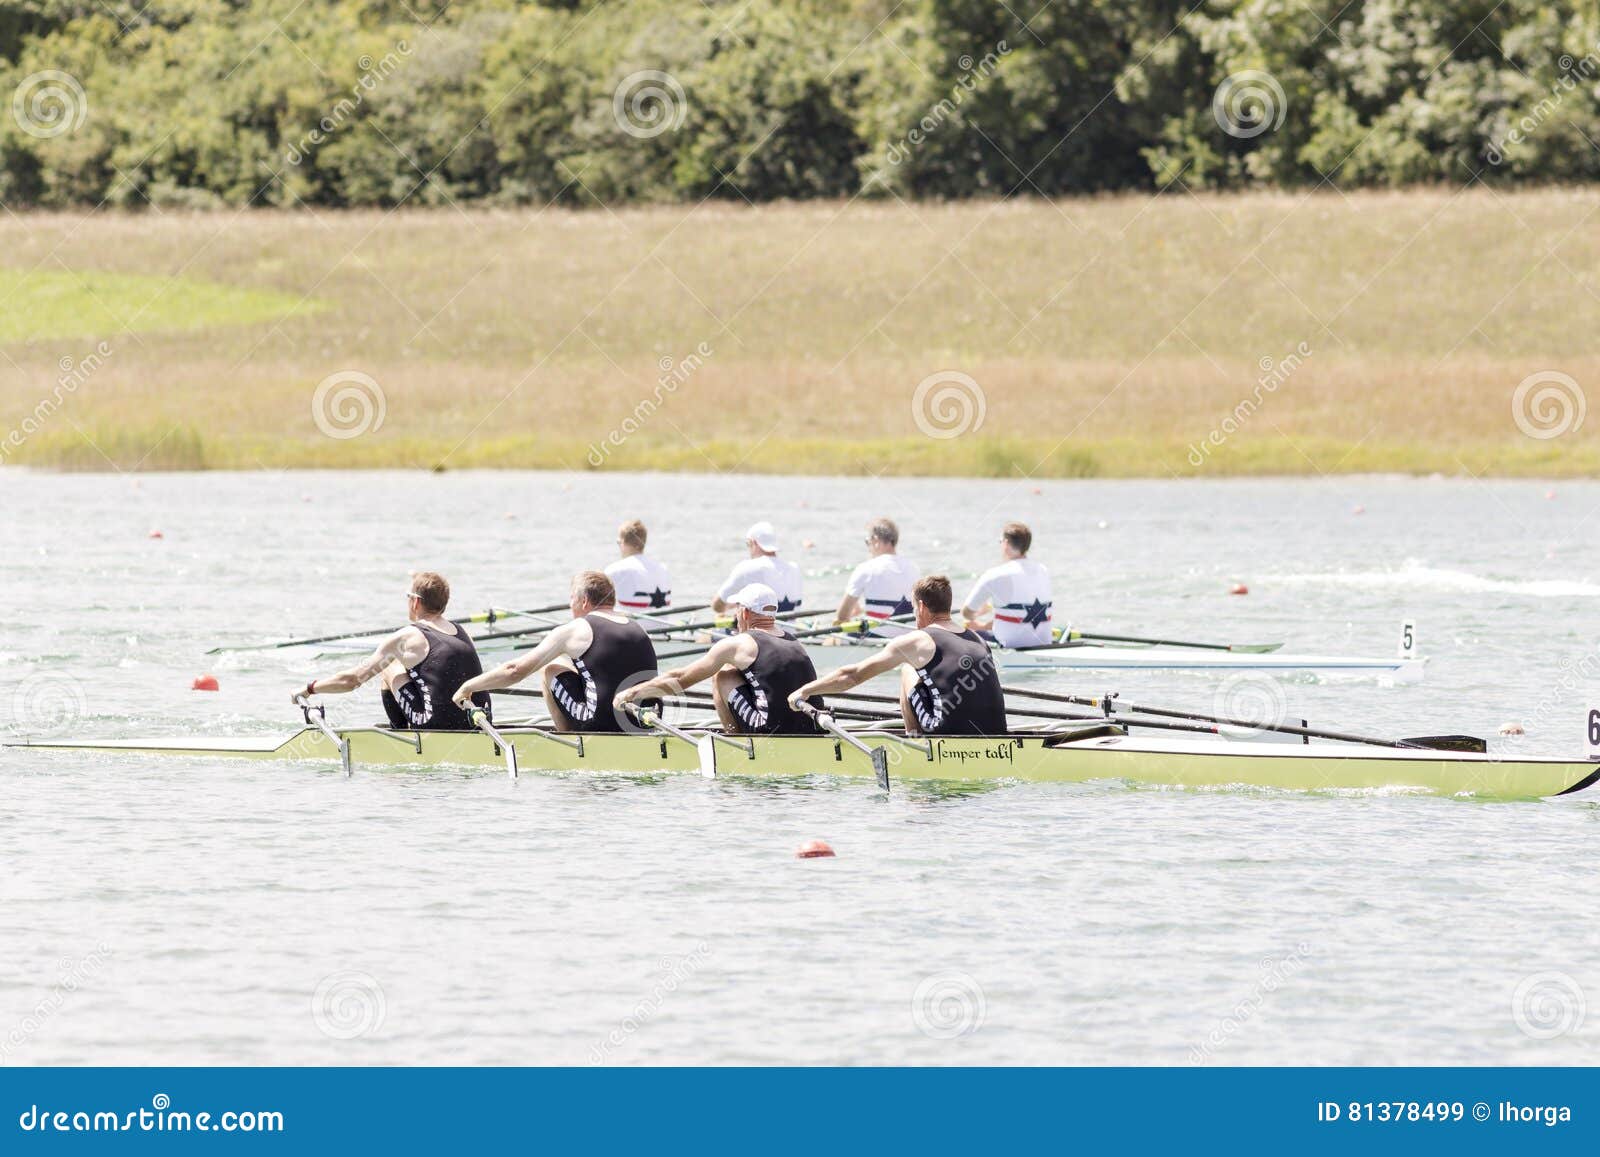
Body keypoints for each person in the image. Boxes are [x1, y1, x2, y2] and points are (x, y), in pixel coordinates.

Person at [792, 576, 1007, 736]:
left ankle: (913, 738)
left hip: (947, 732)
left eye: (914, 607)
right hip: (996, 733)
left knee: (907, 669)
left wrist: (805, 691)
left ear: (921, 607)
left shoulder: (918, 640)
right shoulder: (979, 640)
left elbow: (853, 676)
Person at [452, 571, 657, 734]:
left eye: (572, 599)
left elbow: (515, 671)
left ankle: (567, 738)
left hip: (602, 722)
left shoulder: (575, 629)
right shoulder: (638, 627)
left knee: (550, 670)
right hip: (646, 720)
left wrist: (469, 686)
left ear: (584, 601)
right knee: (570, 664)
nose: (570, 605)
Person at [292, 571, 489, 730]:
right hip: (479, 719)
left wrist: (310, 688)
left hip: (436, 723)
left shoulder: (407, 637)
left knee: (389, 667)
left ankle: (401, 734)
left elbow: (352, 680)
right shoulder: (463, 632)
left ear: (415, 602)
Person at [617, 583, 820, 735]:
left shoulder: (739, 643)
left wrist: (633, 692)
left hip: (769, 731)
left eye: (737, 609)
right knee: (739, 672)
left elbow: (682, 678)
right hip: (813, 725)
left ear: (745, 612)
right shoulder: (795, 641)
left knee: (721, 676)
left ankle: (733, 739)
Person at [961, 522, 1053, 649]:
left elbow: (966, 613)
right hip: (1044, 643)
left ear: (1005, 543)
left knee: (963, 634)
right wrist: (984, 625)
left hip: (1008, 646)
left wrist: (977, 617)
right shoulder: (1043, 570)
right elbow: (1020, 617)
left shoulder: (995, 574)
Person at [834, 517, 918, 626]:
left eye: (867, 541)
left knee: (839, 629)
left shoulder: (865, 568)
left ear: (876, 540)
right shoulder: (914, 568)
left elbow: (842, 616)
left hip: (877, 637)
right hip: (909, 636)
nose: (868, 547)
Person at [711, 520, 803, 613]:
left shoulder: (747, 567)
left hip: (760, 627)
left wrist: (730, 607)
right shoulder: (794, 568)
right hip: (790, 627)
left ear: (753, 542)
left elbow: (717, 606)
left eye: (748, 544)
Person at [603, 519, 674, 625]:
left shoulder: (613, 570)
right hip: (663, 633)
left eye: (618, 543)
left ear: (623, 542)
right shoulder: (663, 568)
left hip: (631, 636)